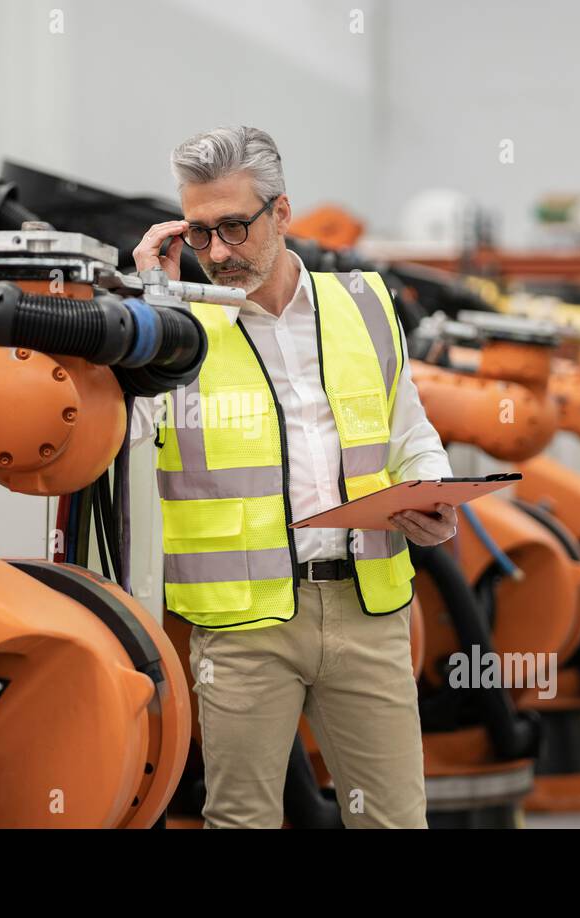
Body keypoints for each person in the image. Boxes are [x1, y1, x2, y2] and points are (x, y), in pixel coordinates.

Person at [128, 126, 455, 828]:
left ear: (281, 214)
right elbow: (123, 441)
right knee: (241, 820)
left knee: (396, 819)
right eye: (202, 232)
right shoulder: (177, 329)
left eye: (235, 227)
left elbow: (408, 427)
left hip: (367, 609)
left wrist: (432, 486)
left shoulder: (364, 304)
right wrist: (150, 293)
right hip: (242, 625)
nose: (217, 252)